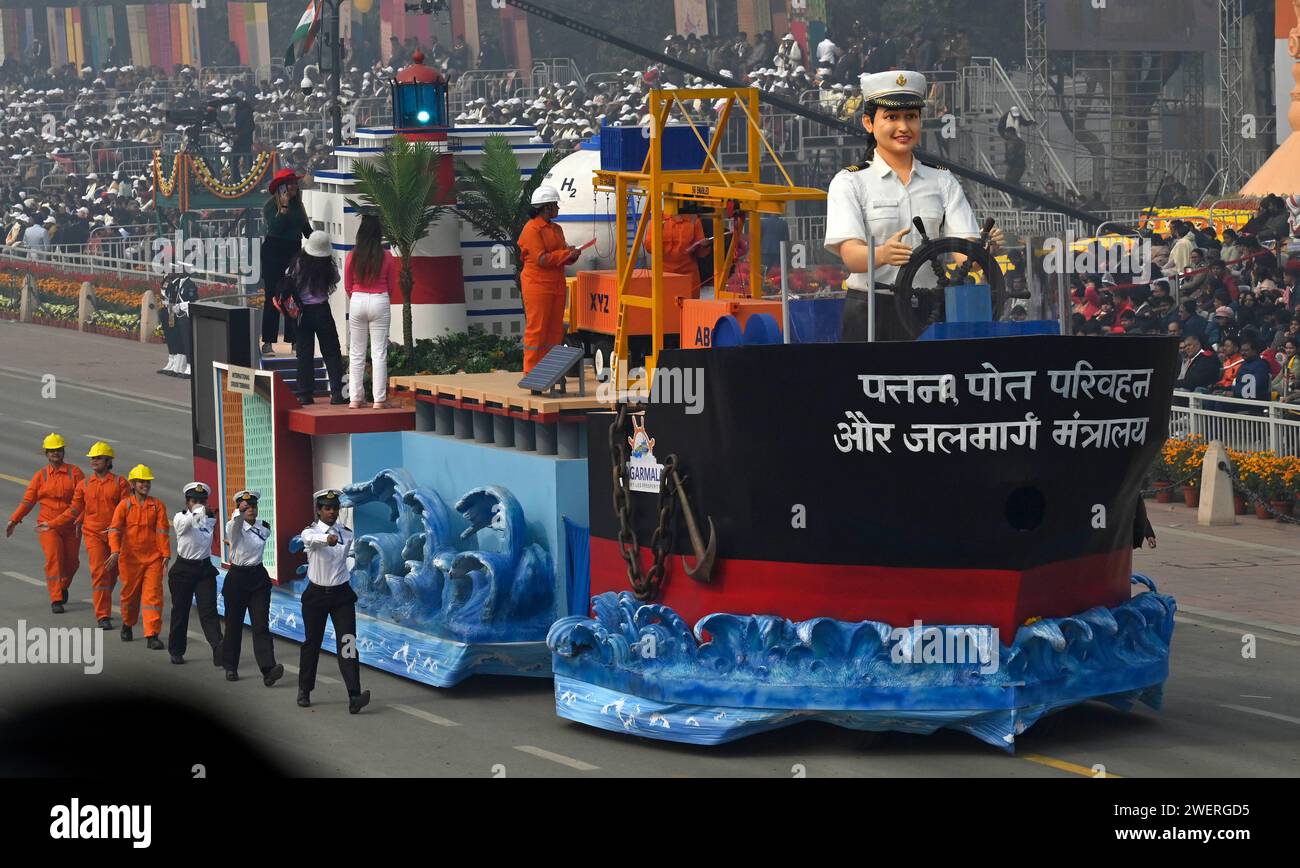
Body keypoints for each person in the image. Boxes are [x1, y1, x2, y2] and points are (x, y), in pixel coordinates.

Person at [825, 70, 1002, 341]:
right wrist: (881, 254)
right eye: (892, 117)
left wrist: (983, 250)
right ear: (869, 123)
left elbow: (964, 258)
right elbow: (851, 256)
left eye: (911, 117)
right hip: (872, 312)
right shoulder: (849, 182)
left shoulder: (942, 180)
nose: (904, 127)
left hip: (931, 310)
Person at [297, 489, 370, 713]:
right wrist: (326, 538)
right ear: (319, 510)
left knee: (348, 643)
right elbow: (309, 540)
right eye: (327, 508)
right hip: (317, 595)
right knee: (312, 643)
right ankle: (305, 690)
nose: (331, 512)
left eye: (334, 508)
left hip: (341, 595)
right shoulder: (310, 533)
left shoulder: (346, 533)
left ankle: (354, 694)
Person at [44, 442, 127, 628]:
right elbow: (73, 511)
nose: (94, 461)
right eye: (92, 458)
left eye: (98, 458)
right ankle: (102, 615)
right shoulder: (84, 485)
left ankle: (104, 601)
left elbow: (127, 511)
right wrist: (51, 524)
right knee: (100, 573)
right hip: (93, 535)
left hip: (115, 535)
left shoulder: (120, 483)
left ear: (108, 461)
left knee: (113, 574)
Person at [6, 434, 84, 614]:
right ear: (46, 454)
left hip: (70, 525)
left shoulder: (75, 473)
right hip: (47, 525)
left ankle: (63, 586)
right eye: (52, 451)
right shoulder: (40, 476)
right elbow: (28, 500)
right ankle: (56, 598)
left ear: (63, 451)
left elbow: (84, 499)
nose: (55, 453)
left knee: (72, 562)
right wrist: (14, 520)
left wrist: (83, 517)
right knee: (54, 558)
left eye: (58, 450)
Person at [222, 490, 284, 686]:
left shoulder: (263, 527)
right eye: (246, 507)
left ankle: (268, 670)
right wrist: (239, 514)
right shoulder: (233, 526)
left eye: (253, 506)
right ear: (239, 508)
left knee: (260, 625)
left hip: (257, 577)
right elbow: (234, 528)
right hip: (237, 577)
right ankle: (230, 666)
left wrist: (243, 514)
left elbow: (257, 536)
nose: (250, 510)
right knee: (234, 624)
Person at [106, 465, 169, 648]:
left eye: (147, 482)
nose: (145, 485)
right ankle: (127, 623)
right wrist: (115, 551)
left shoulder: (157, 506)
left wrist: (165, 554)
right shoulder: (124, 505)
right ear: (133, 484)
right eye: (141, 482)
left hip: (152, 559)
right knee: (129, 596)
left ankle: (152, 634)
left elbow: (162, 532)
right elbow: (115, 529)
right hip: (129, 559)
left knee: (153, 597)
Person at [518, 185, 578, 372]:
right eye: (555, 205)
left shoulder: (556, 229)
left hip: (556, 284)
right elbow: (542, 259)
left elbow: (559, 255)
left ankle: (551, 371)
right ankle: (531, 371)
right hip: (537, 285)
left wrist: (571, 254)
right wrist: (566, 253)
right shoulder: (531, 230)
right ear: (546, 208)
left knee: (555, 330)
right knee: (537, 329)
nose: (558, 209)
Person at [282, 230, 346, 405]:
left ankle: (305, 394)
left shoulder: (297, 264)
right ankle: (337, 393)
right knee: (332, 352)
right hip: (322, 310)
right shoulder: (328, 266)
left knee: (304, 353)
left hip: (302, 313)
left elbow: (288, 281)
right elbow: (336, 278)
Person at [344, 214, 398, 409]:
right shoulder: (387, 257)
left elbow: (348, 284)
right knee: (379, 353)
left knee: (356, 353)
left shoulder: (353, 255)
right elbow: (392, 286)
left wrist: (356, 296)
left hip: (357, 299)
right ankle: (379, 399)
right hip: (380, 299)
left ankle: (355, 399)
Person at [167, 483, 223, 665]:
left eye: (202, 500)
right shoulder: (180, 517)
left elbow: (203, 526)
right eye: (194, 501)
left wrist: (203, 512)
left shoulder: (210, 518)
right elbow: (186, 526)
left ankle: (219, 650)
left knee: (209, 612)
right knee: (180, 612)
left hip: (204, 569)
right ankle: (176, 650)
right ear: (187, 502)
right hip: (184, 569)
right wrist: (197, 511)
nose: (199, 504)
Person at [261, 169, 311, 356]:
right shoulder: (270, 207)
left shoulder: (299, 207)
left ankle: (294, 341)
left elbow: (306, 230)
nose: (294, 187)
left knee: (293, 296)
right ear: (281, 187)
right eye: (291, 183)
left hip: (293, 252)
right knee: (271, 297)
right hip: (273, 252)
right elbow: (275, 230)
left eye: (295, 183)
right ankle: (268, 342)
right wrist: (283, 208)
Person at [644, 208, 708, 292]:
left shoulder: (693, 219)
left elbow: (701, 253)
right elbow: (649, 248)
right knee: (665, 303)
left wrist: (704, 246)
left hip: (688, 275)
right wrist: (658, 231)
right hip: (663, 275)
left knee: (688, 304)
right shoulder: (658, 218)